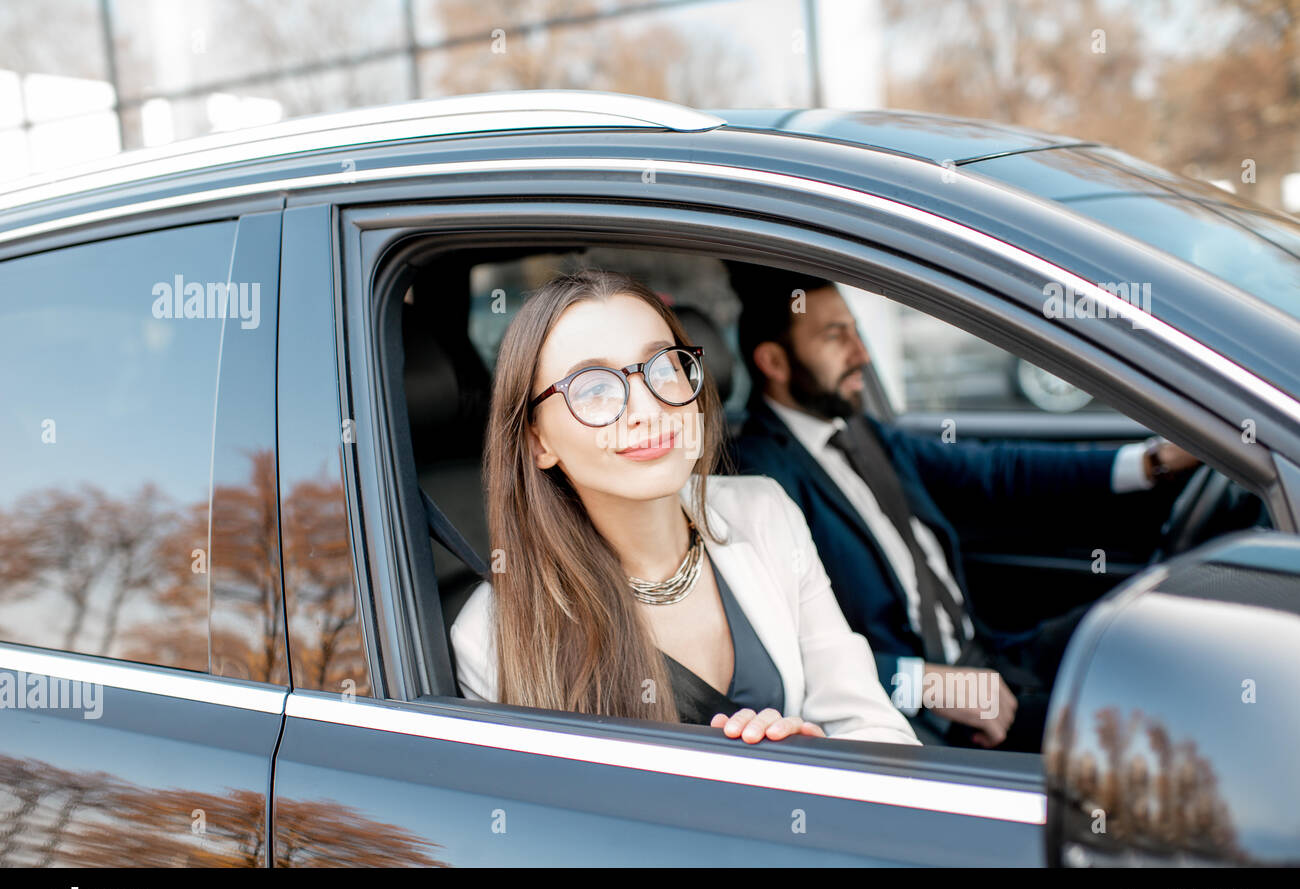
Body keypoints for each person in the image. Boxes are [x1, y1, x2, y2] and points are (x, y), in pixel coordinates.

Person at [727, 262, 1199, 751]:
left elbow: (996, 472)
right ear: (775, 363)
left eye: (856, 332)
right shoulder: (757, 480)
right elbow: (785, 652)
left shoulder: (861, 434)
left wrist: (1152, 463)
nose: (862, 354)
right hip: (926, 716)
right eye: (834, 336)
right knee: (1149, 736)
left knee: (1147, 628)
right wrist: (927, 683)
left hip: (989, 654)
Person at [449, 268, 920, 747]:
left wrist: (815, 750)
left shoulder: (764, 512)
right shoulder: (491, 636)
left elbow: (876, 731)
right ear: (537, 441)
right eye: (594, 388)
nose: (648, 409)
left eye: (662, 367)